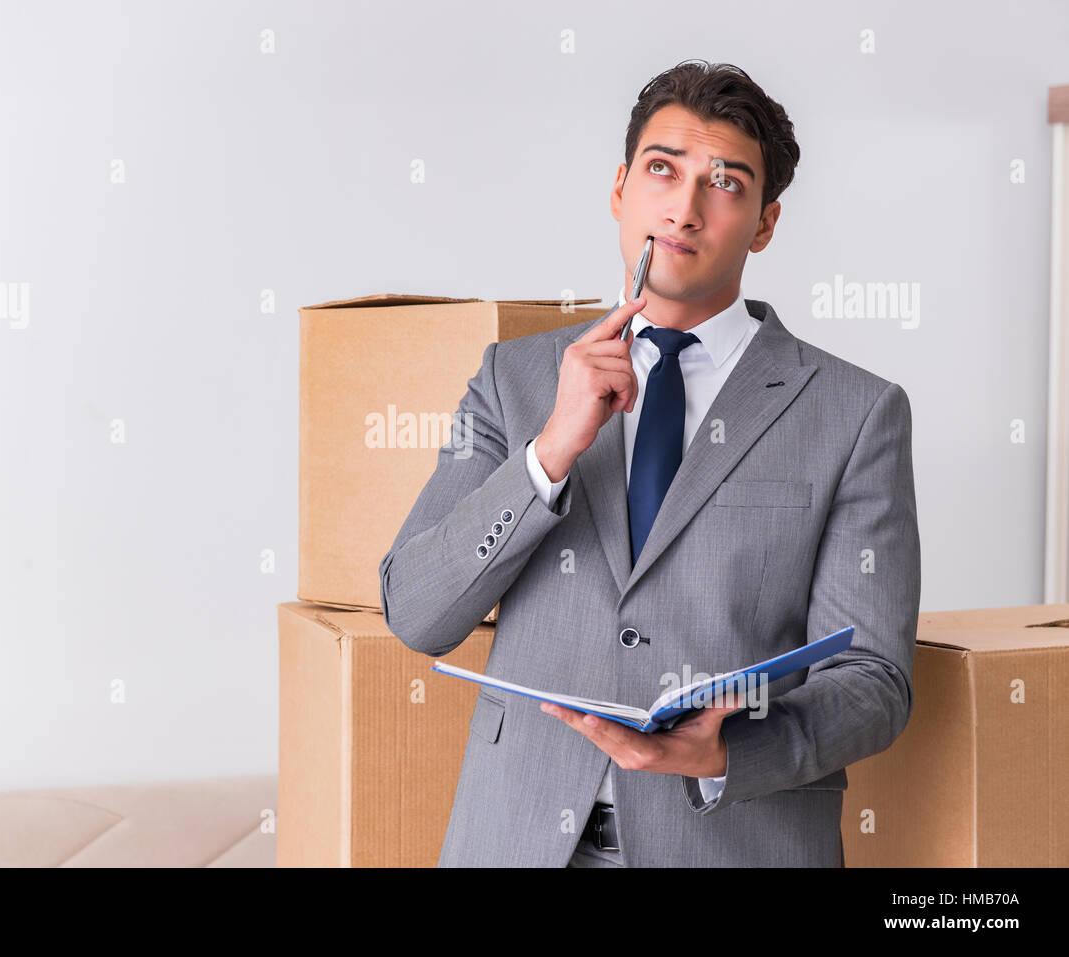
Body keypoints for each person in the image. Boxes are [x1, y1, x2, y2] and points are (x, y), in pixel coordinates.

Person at [378, 59, 921, 867]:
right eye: (663, 170)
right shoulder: (513, 380)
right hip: (517, 840)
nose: (684, 207)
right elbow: (417, 613)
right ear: (621, 189)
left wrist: (730, 748)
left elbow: (874, 681)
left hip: (733, 841)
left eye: (726, 183)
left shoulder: (856, 412)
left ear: (765, 225)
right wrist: (551, 449)